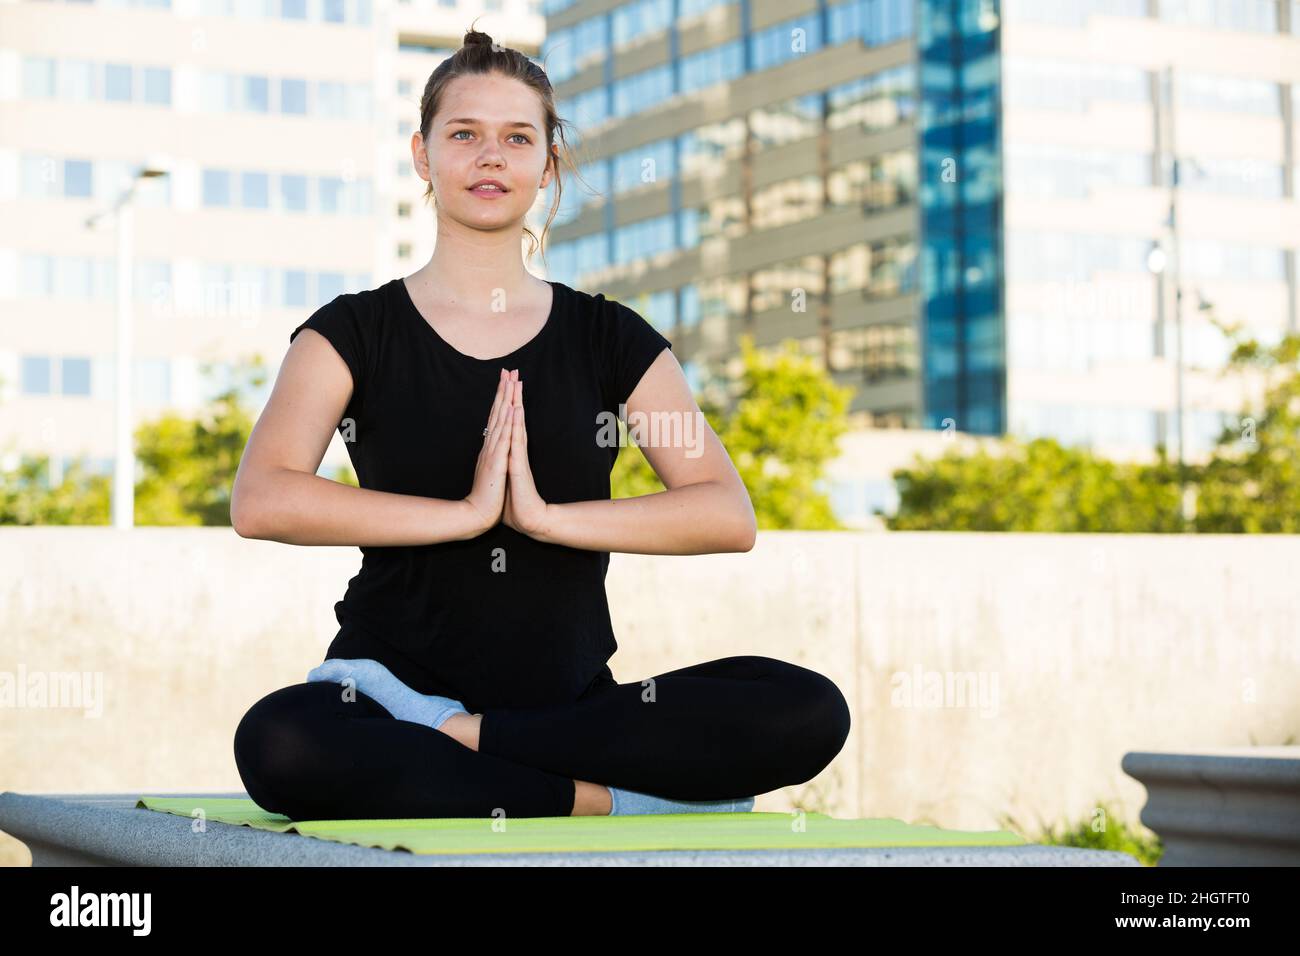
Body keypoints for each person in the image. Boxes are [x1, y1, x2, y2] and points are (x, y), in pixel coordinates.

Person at [228, 26, 850, 820]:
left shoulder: (610, 337)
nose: (491, 157)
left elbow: (724, 513)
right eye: (464, 135)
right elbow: (264, 499)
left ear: (546, 163)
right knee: (280, 743)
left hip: (570, 703)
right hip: (386, 694)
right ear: (423, 155)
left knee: (806, 709)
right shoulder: (351, 331)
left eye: (517, 138)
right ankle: (606, 800)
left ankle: (471, 740)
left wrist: (547, 519)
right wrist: (464, 516)